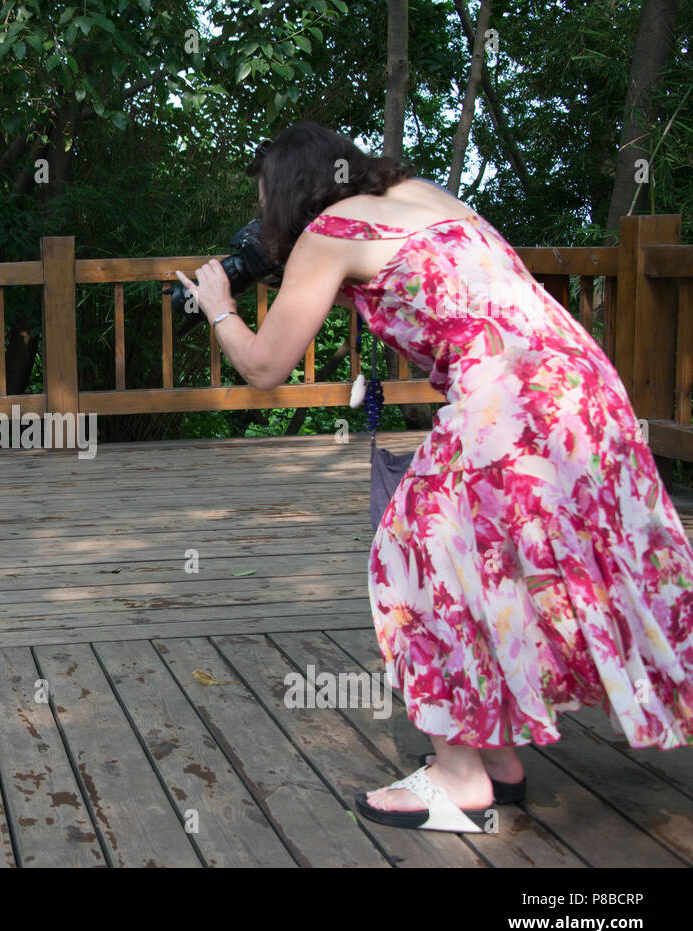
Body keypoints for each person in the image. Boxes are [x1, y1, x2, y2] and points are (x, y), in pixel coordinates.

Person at [175, 121, 693, 834]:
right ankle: (496, 760)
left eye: (267, 203)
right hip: (583, 388)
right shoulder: (423, 196)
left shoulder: (329, 230)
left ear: (289, 193)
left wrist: (219, 307)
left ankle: (460, 778)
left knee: (412, 557)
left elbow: (265, 366)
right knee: (494, 563)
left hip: (508, 402)